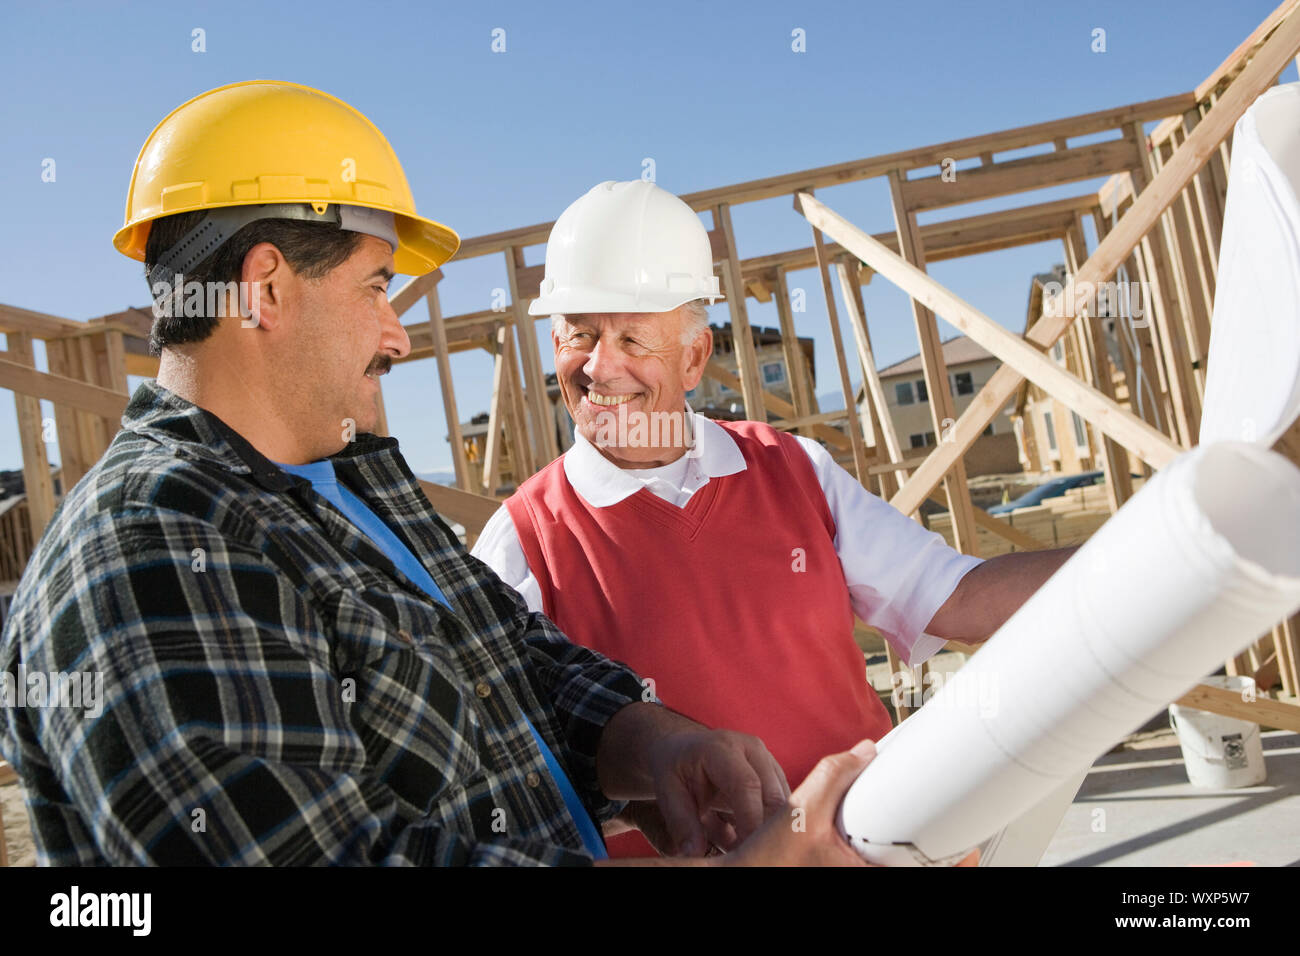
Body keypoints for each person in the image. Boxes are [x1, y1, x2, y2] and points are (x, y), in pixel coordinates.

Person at [0, 83, 879, 867]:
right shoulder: (146, 546)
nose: (398, 334)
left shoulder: (343, 486)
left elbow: (510, 660)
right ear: (264, 289)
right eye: (376, 288)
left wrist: (648, 740)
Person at [473, 180, 1078, 856]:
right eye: (579, 334)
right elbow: (505, 768)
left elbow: (955, 596)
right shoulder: (523, 541)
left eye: (633, 339)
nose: (599, 365)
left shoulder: (794, 469)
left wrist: (1134, 556)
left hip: (870, 850)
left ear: (695, 357)